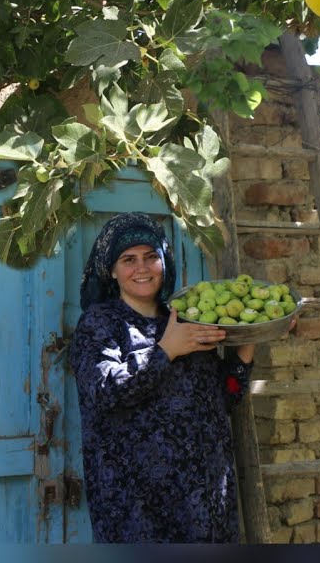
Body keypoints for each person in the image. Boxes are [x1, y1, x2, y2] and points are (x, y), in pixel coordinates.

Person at [69, 212, 255, 543]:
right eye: (128, 259)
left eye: (151, 256)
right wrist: (166, 350)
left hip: (204, 497)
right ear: (111, 270)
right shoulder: (100, 324)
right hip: (139, 504)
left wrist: (250, 340)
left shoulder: (186, 319)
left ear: (164, 262)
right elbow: (105, 392)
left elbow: (224, 398)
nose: (142, 267)